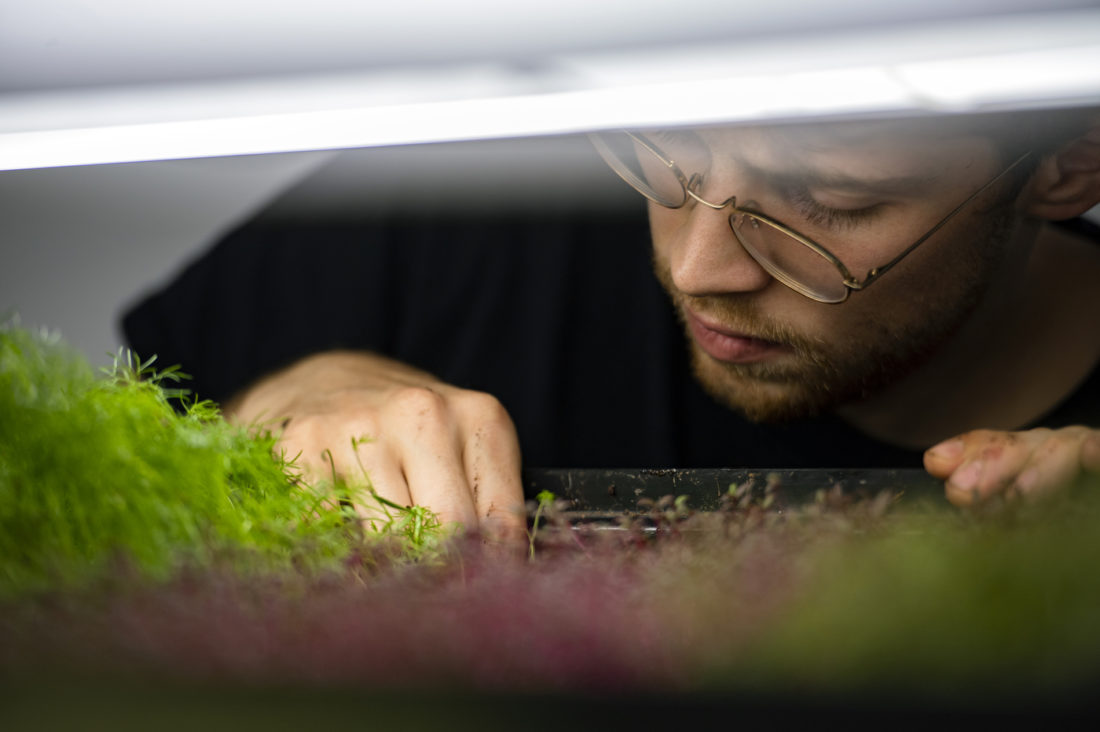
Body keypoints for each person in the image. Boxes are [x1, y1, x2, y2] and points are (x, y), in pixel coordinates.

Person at [124, 107, 1100, 547]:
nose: (695, 269)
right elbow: (136, 420)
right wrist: (284, 397)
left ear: (1066, 166)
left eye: (833, 201)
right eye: (665, 152)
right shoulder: (480, 203)